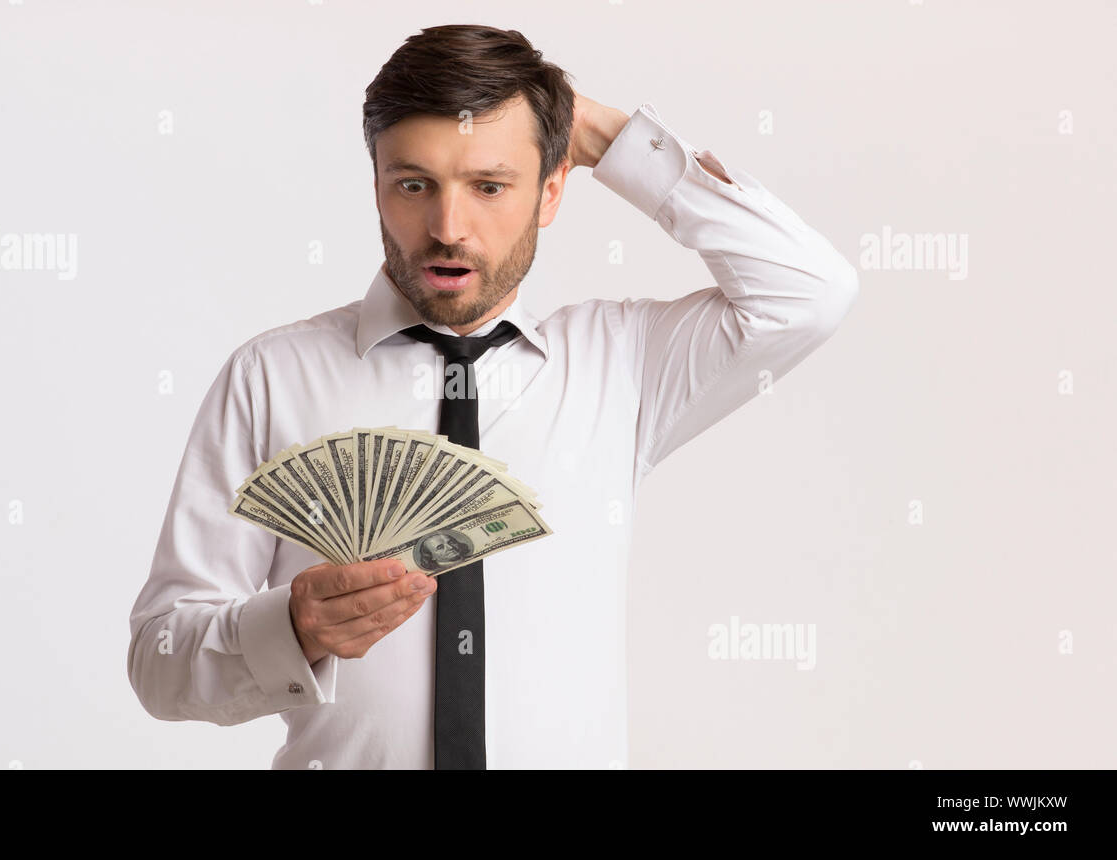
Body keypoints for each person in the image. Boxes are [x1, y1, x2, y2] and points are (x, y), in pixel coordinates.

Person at [126, 24, 859, 768]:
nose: (448, 228)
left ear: (550, 192)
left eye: (490, 185)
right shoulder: (271, 376)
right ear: (376, 186)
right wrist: (291, 628)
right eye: (414, 184)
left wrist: (604, 134)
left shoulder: (621, 365)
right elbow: (158, 663)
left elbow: (809, 291)